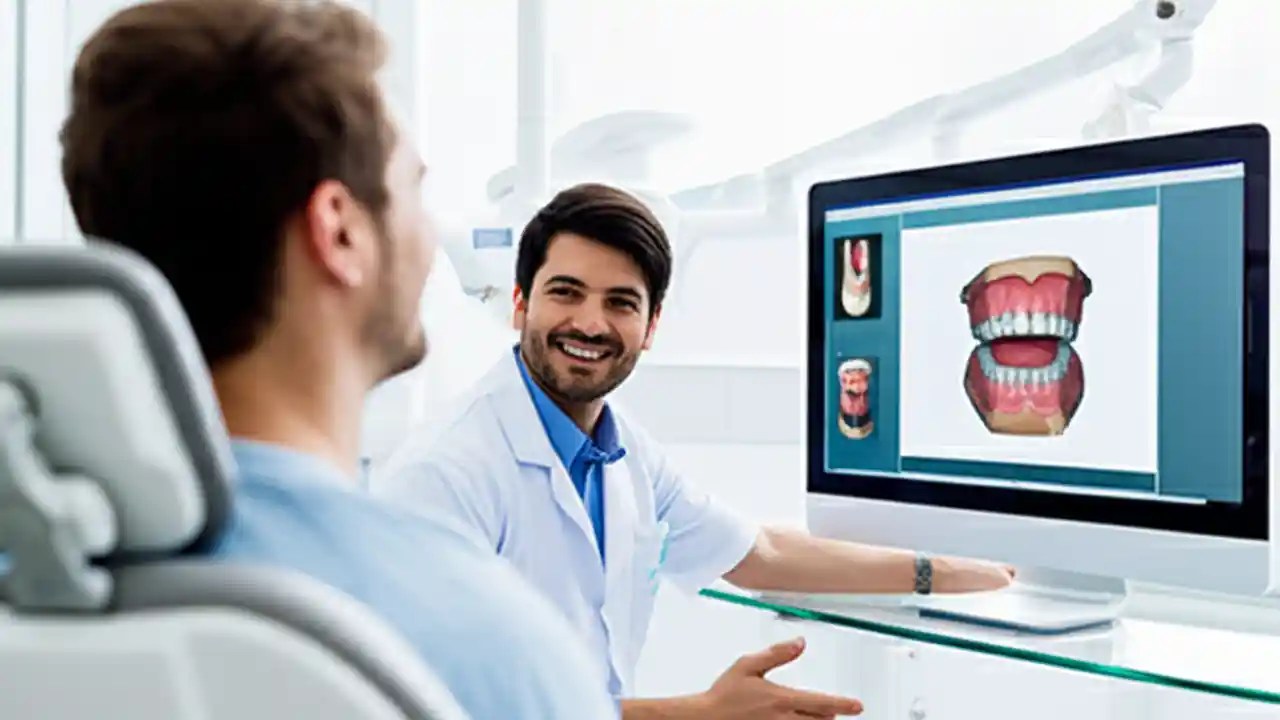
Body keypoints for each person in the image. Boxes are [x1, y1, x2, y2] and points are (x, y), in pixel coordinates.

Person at [58, 2, 618, 718]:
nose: (430, 234)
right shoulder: (489, 645)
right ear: (340, 231)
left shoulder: (35, 585)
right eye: (414, 188)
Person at [372, 182, 1017, 719]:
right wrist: (701, 712)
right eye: (566, 293)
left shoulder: (620, 452)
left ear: (651, 328)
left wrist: (954, 572)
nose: (591, 324)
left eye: (620, 303)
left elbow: (757, 554)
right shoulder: (447, 474)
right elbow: (441, 703)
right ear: (519, 305)